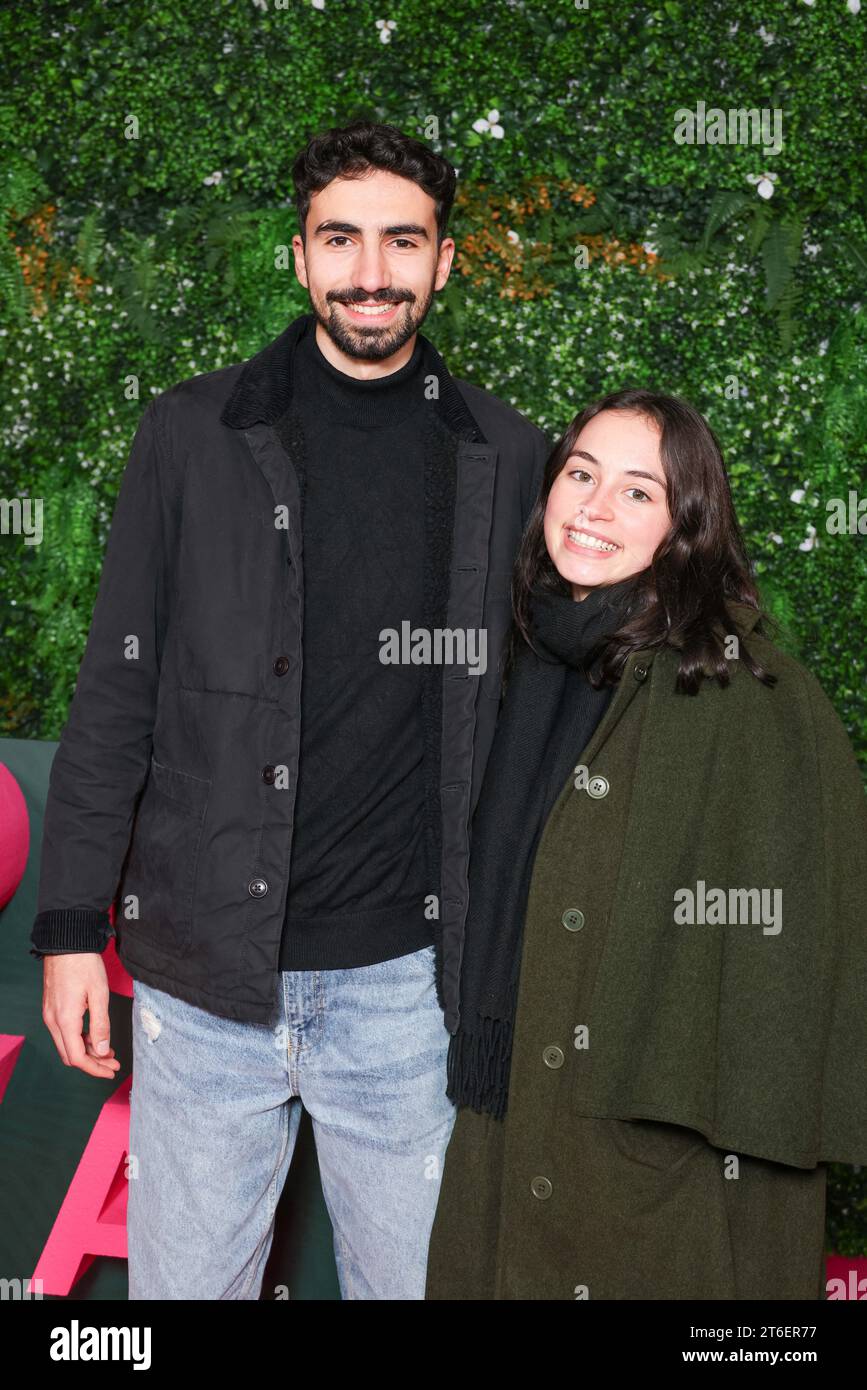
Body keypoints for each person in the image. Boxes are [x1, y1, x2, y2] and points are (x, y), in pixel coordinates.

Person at [29, 121, 550, 1299]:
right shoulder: (189, 435)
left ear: (446, 261)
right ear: (301, 257)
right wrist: (68, 927)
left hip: (410, 990)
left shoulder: (509, 455)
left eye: (401, 240)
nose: (372, 270)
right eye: (342, 238)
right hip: (204, 979)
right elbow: (117, 685)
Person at [425, 389, 867, 1301]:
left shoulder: (739, 687)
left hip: (643, 1147)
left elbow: (788, 967)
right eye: (580, 474)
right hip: (500, 1107)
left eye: (637, 492)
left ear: (684, 528)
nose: (592, 508)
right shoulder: (515, 651)